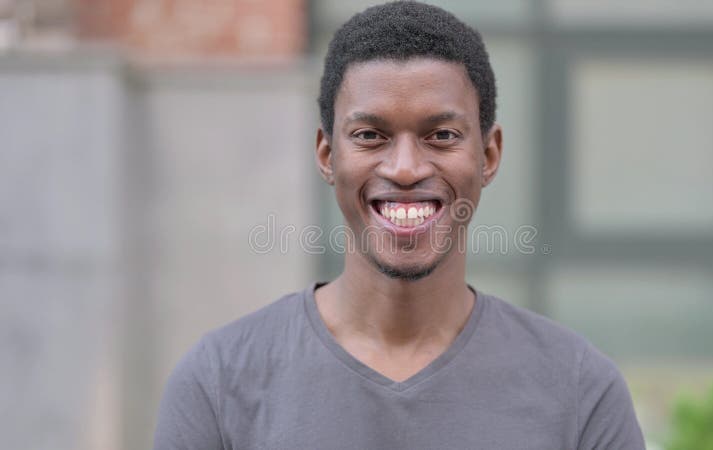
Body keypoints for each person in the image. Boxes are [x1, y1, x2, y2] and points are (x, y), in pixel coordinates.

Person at [153, 2, 645, 449]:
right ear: (328, 155)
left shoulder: (579, 389)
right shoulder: (219, 381)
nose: (405, 168)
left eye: (442, 135)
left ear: (489, 155)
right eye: (370, 135)